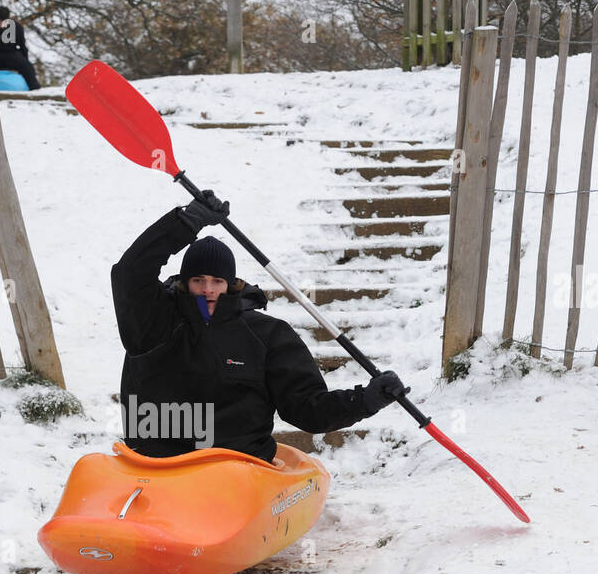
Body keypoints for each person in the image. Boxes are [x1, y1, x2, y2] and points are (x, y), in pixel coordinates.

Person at [111, 192, 408, 462]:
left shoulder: (267, 335)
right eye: (198, 280)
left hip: (239, 470)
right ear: (184, 282)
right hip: (156, 465)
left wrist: (365, 400)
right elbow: (129, 273)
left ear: (230, 284)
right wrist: (187, 221)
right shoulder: (152, 320)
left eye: (216, 281)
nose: (207, 289)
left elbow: (307, 408)